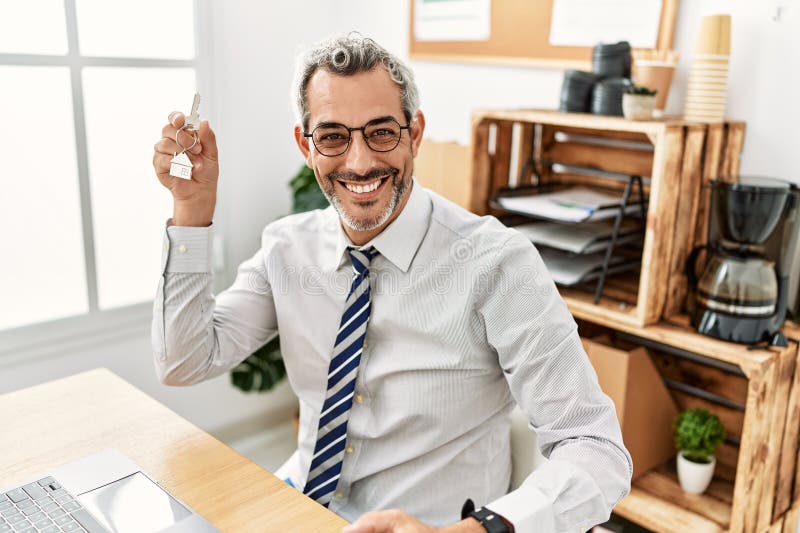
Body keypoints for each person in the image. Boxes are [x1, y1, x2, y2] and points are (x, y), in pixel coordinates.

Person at [151, 34, 632, 533]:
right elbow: (184, 361)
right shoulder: (287, 248)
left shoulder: (498, 264)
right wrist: (191, 209)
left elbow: (595, 446)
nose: (360, 163)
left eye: (381, 132)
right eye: (333, 137)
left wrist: (475, 531)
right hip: (305, 508)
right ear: (306, 145)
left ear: (415, 134)